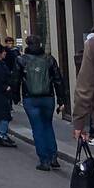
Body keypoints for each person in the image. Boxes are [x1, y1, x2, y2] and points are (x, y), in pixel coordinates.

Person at [20, 34, 67, 170]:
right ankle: (53, 157)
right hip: (48, 97)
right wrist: (61, 99)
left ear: (27, 45)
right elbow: (58, 80)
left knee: (37, 128)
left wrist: (15, 97)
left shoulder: (21, 60)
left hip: (30, 98)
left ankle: (44, 160)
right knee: (48, 125)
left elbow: (15, 79)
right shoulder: (49, 59)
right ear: (40, 44)